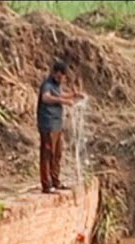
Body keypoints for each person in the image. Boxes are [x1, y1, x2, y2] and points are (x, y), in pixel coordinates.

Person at [36, 59, 86, 194]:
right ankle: (47, 185)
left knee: (57, 154)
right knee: (47, 154)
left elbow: (59, 95)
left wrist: (74, 95)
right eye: (59, 76)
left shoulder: (56, 85)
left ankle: (55, 181)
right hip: (48, 125)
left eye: (63, 77)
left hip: (57, 125)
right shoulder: (47, 85)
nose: (61, 79)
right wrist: (63, 101)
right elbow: (46, 98)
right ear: (54, 73)